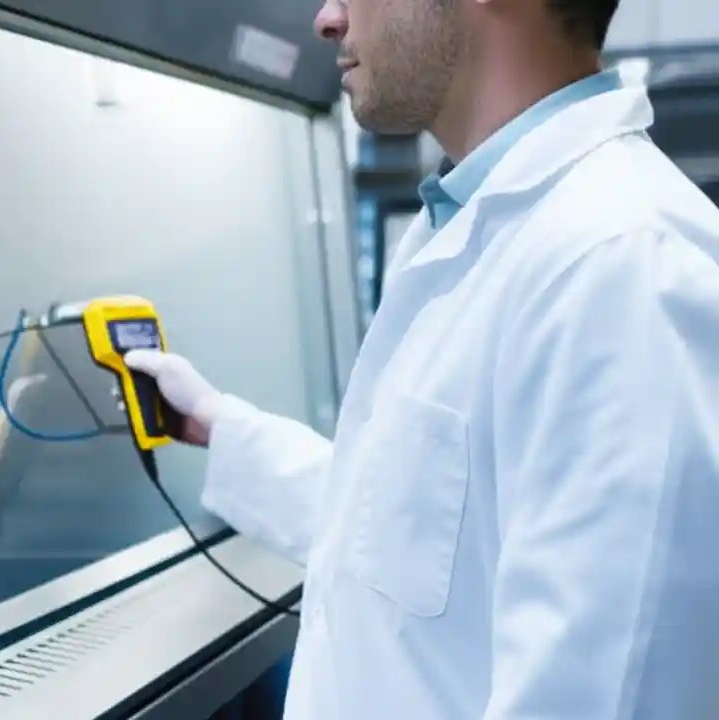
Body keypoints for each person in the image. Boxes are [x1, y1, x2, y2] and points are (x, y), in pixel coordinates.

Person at [126, 0, 719, 717]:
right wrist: (224, 428)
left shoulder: (624, 269)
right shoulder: (483, 226)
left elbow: (602, 695)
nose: (326, 18)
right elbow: (417, 539)